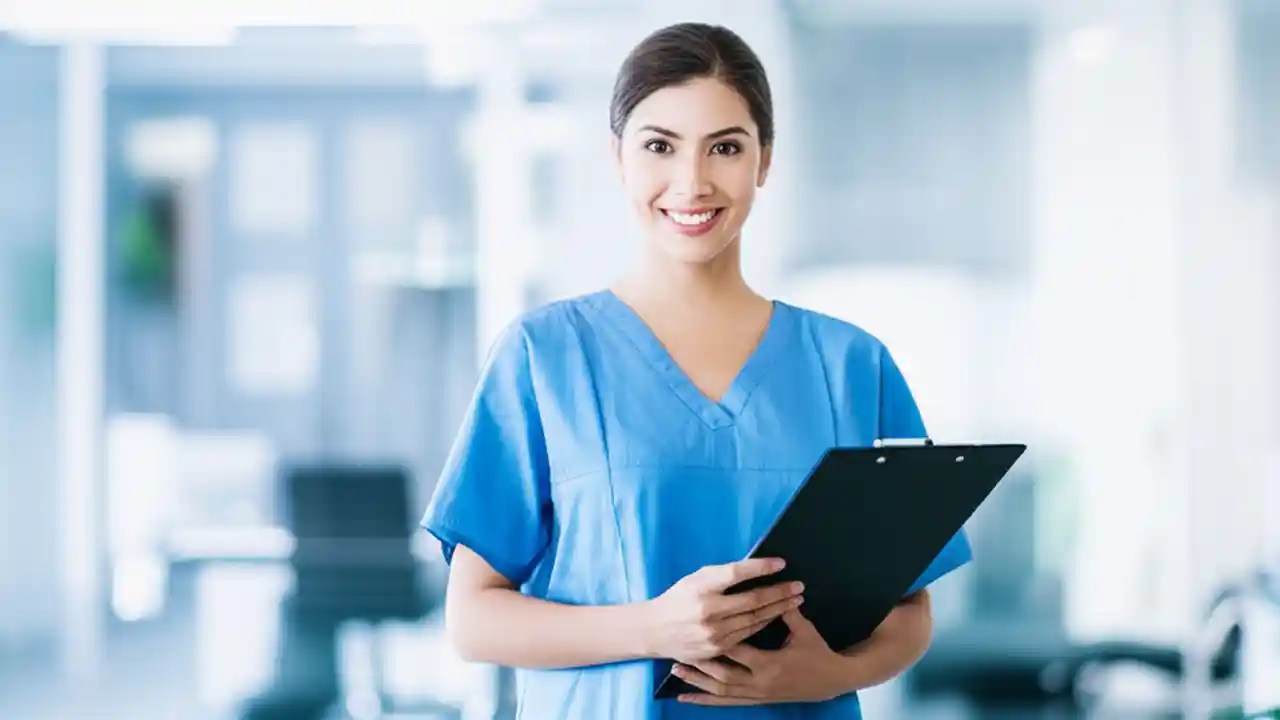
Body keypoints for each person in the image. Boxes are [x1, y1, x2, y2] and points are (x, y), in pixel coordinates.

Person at [420, 22, 972, 719]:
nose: (693, 181)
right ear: (618, 157)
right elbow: (473, 620)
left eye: (726, 148)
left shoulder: (851, 365)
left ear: (764, 160)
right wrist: (655, 628)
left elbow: (909, 609)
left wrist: (827, 674)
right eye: (659, 146)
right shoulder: (545, 356)